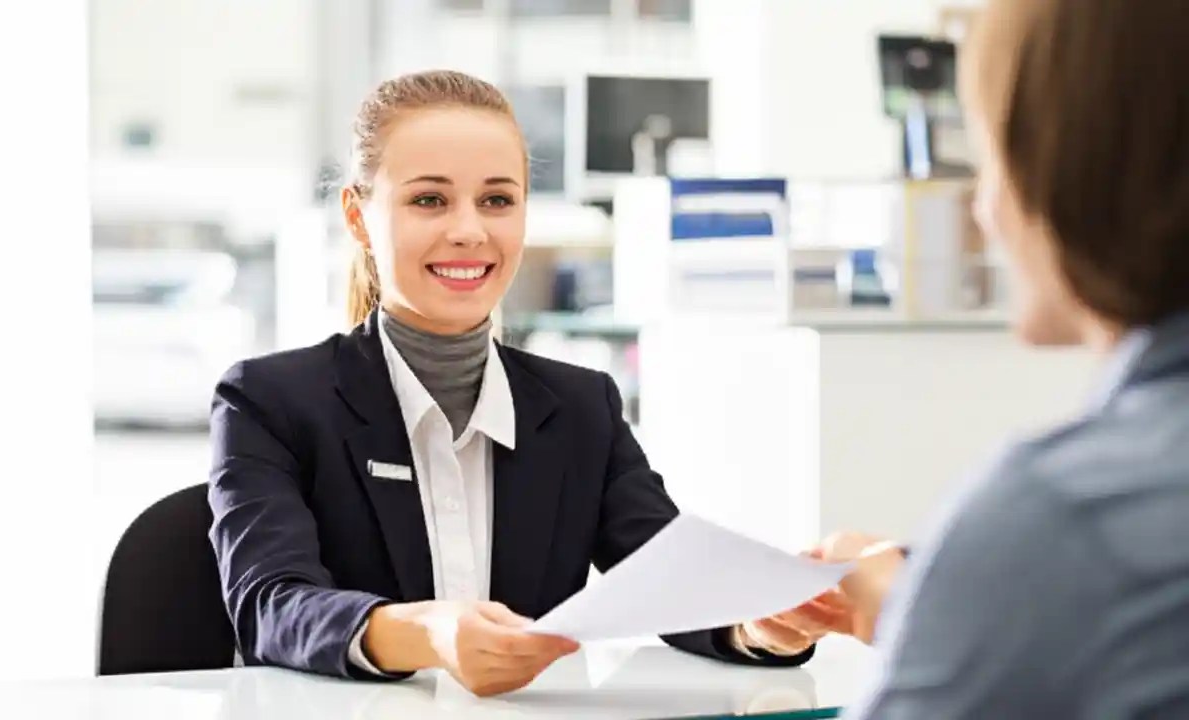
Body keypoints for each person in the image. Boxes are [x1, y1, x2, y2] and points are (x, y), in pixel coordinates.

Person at [207, 69, 822, 698]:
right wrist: (429, 635)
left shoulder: (581, 409)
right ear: (358, 218)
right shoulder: (269, 401)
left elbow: (665, 577)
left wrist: (758, 623)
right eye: (429, 200)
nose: (469, 230)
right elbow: (270, 606)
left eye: (497, 201)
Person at [777, 1, 1189, 717]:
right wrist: (934, 599)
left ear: (1077, 172)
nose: (982, 209)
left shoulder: (1064, 516)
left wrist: (962, 596)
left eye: (990, 157)